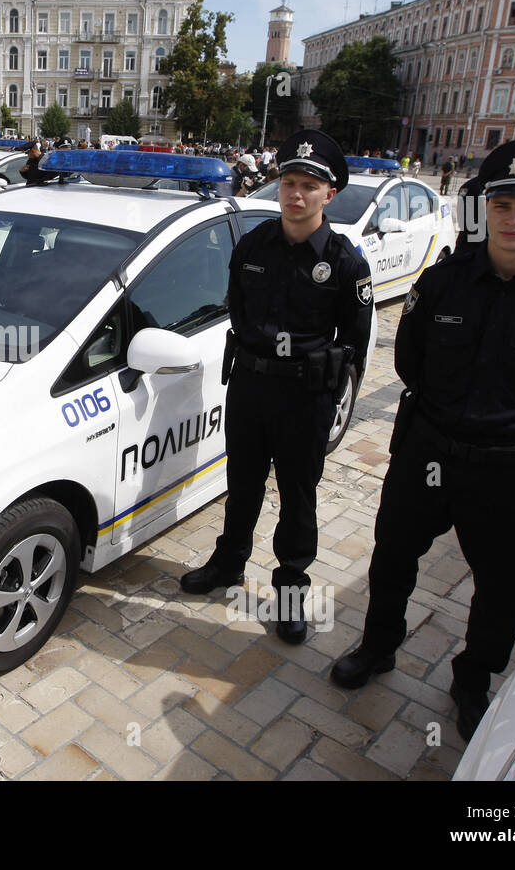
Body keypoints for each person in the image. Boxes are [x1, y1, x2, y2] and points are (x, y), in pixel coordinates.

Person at [331, 138, 515, 741]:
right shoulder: (443, 283)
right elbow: (409, 358)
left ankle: (472, 681)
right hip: (428, 455)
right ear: (487, 209)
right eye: (505, 205)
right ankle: (378, 646)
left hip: (509, 472)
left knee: (500, 587)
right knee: (391, 562)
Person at [180, 129, 373, 644]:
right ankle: (227, 565)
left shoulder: (345, 261)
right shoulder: (252, 245)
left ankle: (289, 594)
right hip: (250, 386)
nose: (296, 194)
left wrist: (325, 396)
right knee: (241, 484)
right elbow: (238, 310)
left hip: (304, 397)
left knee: (297, 497)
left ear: (329, 195)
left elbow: (353, 343)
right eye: (289, 182)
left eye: (310, 185)